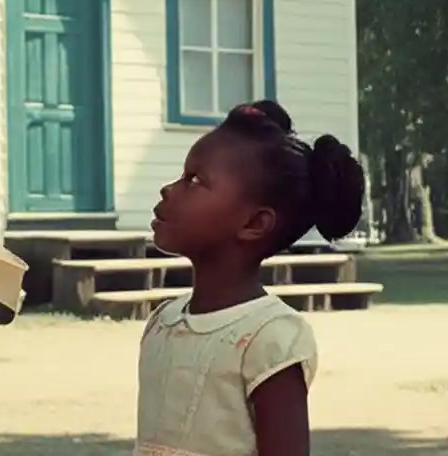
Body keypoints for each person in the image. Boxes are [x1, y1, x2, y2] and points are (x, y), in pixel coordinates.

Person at [135, 100, 364, 456]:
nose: (169, 189)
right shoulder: (162, 324)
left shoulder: (269, 338)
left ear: (254, 223)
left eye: (194, 180)